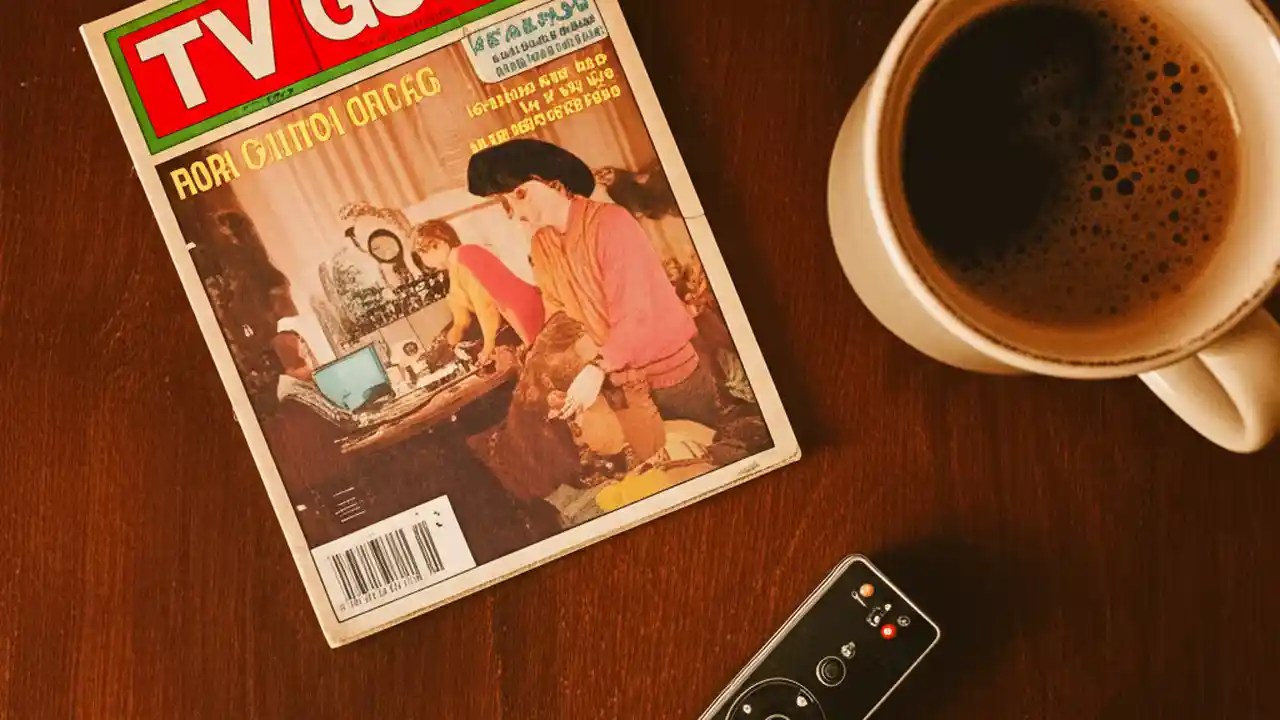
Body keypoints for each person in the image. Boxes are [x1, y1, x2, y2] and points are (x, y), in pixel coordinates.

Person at [467, 139, 720, 428]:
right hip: (621, 384)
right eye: (504, 202)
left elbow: (634, 314)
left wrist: (598, 367)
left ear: (554, 184)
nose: (512, 211)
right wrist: (544, 364)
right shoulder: (542, 244)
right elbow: (558, 315)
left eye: (520, 194)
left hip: (672, 376)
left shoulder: (612, 223)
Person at [414, 220, 545, 366]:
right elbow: (461, 320)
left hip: (523, 310)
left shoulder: (465, 256)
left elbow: (486, 306)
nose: (424, 260)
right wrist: (444, 345)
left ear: (439, 243)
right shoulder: (454, 269)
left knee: (539, 361)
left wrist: (488, 347)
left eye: (423, 253)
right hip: (515, 314)